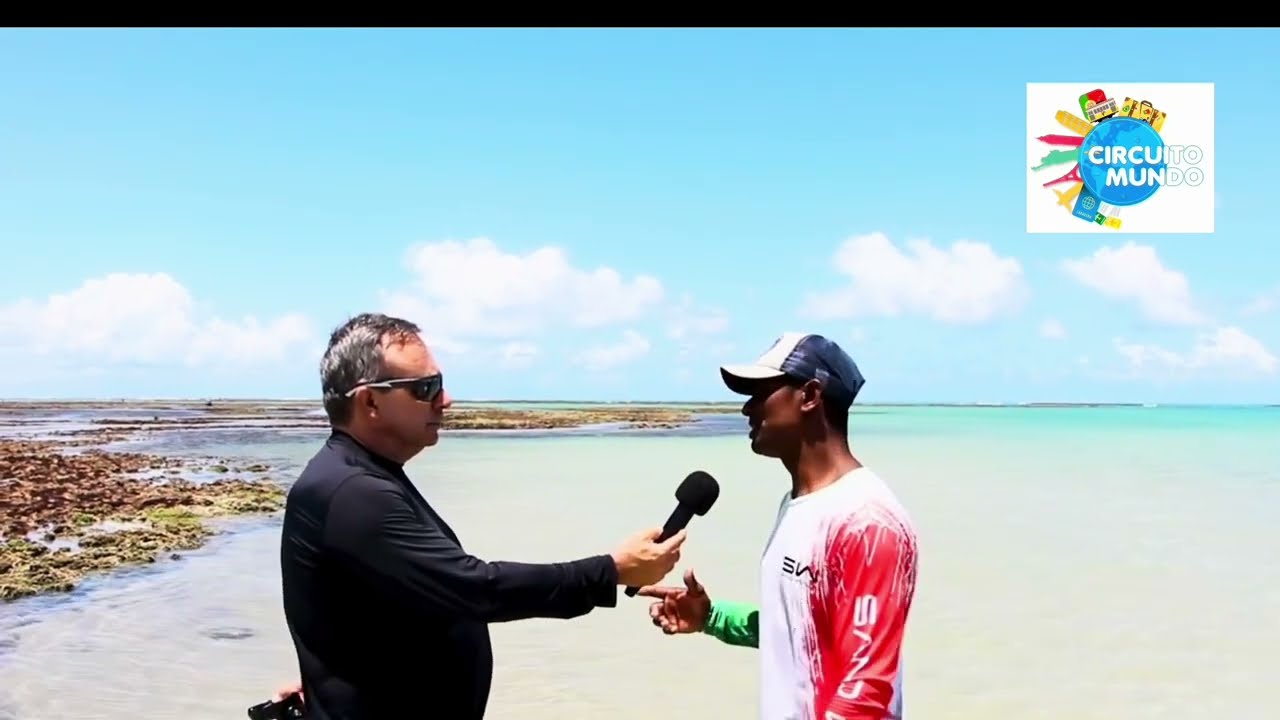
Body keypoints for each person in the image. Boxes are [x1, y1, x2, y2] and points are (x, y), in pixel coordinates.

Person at [275, 312, 688, 719]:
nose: (446, 399)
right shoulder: (355, 492)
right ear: (370, 401)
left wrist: (326, 674)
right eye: (426, 387)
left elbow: (363, 610)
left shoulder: (361, 477)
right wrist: (611, 571)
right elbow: (474, 589)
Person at [637, 332, 919, 720]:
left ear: (810, 395)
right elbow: (804, 630)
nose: (746, 409)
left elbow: (867, 690)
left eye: (759, 393)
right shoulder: (798, 504)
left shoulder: (866, 522)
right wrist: (711, 617)